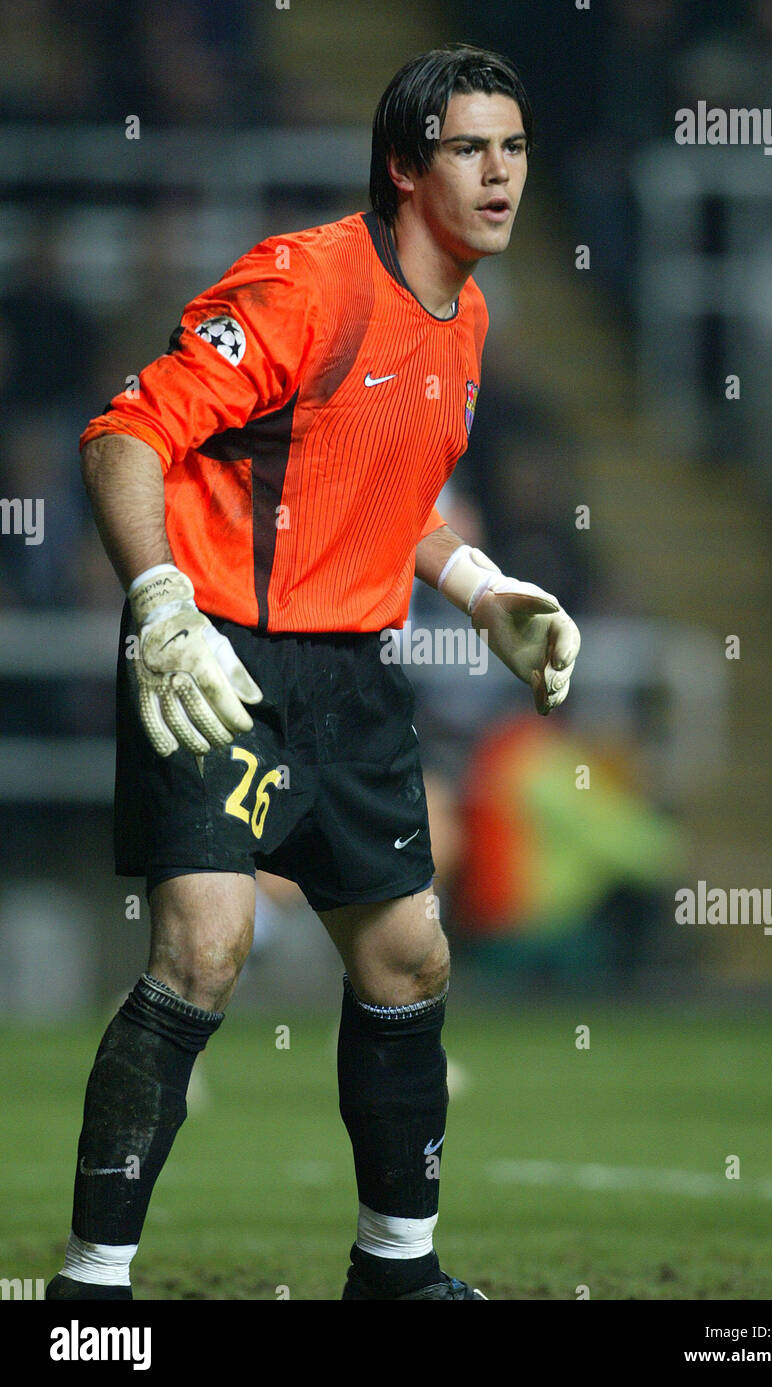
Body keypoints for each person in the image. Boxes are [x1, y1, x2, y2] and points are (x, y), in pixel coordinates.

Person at [46, 43, 580, 1302]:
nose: (499, 174)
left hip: (351, 669)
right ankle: (89, 1292)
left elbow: (382, 494)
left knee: (408, 958)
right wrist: (159, 602)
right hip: (216, 653)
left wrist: (482, 591)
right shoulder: (303, 283)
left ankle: (396, 1272)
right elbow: (124, 430)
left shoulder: (468, 315)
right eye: (468, 148)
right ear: (404, 167)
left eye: (512, 148)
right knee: (206, 948)